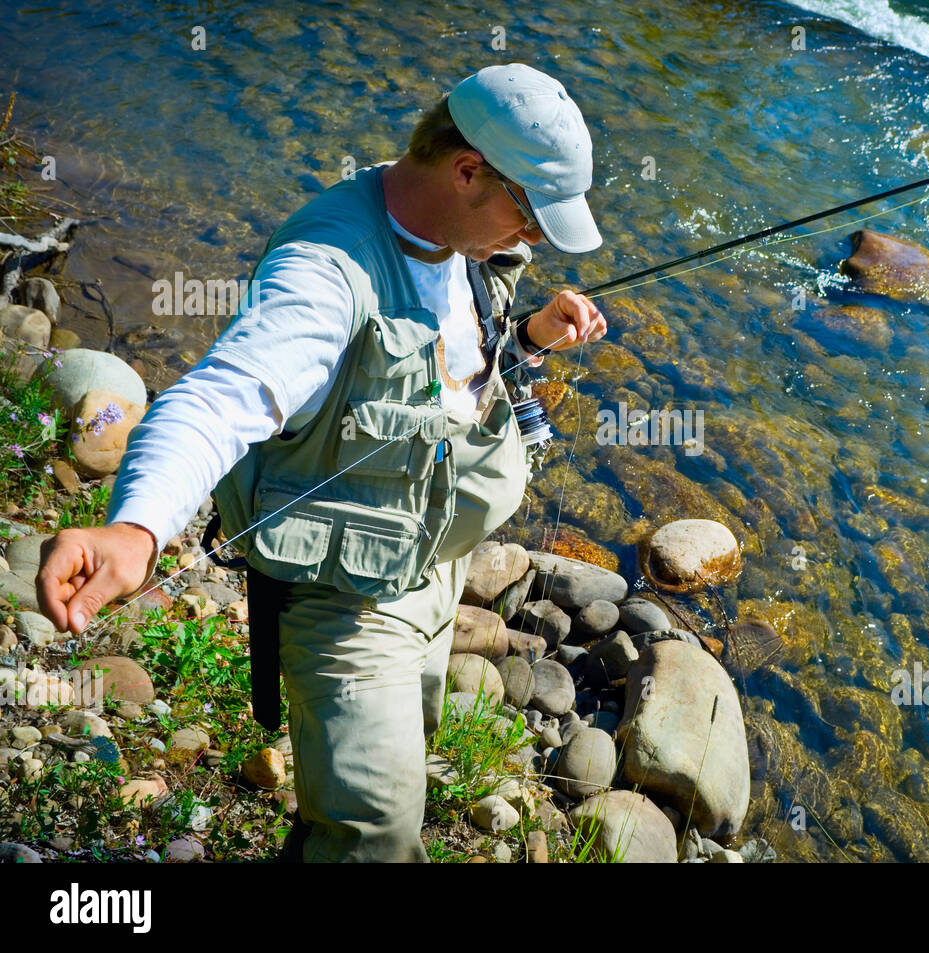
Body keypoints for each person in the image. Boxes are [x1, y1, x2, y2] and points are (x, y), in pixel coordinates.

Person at [35, 63, 608, 862]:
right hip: (347, 601)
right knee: (377, 826)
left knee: (384, 768)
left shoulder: (461, 231)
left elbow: (454, 358)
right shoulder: (324, 274)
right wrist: (135, 530)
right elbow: (220, 397)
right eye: (533, 218)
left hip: (432, 563)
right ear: (468, 169)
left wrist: (529, 337)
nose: (535, 240)